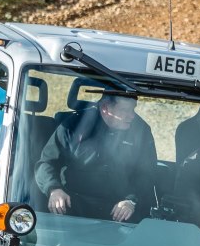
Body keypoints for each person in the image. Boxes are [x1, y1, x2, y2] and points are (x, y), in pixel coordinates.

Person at [34, 93, 157, 222]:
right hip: (73, 205)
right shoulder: (74, 125)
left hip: (119, 208)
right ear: (105, 108)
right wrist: (54, 189)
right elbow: (46, 163)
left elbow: (147, 173)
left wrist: (131, 200)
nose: (132, 116)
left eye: (133, 109)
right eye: (125, 110)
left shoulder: (141, 130)